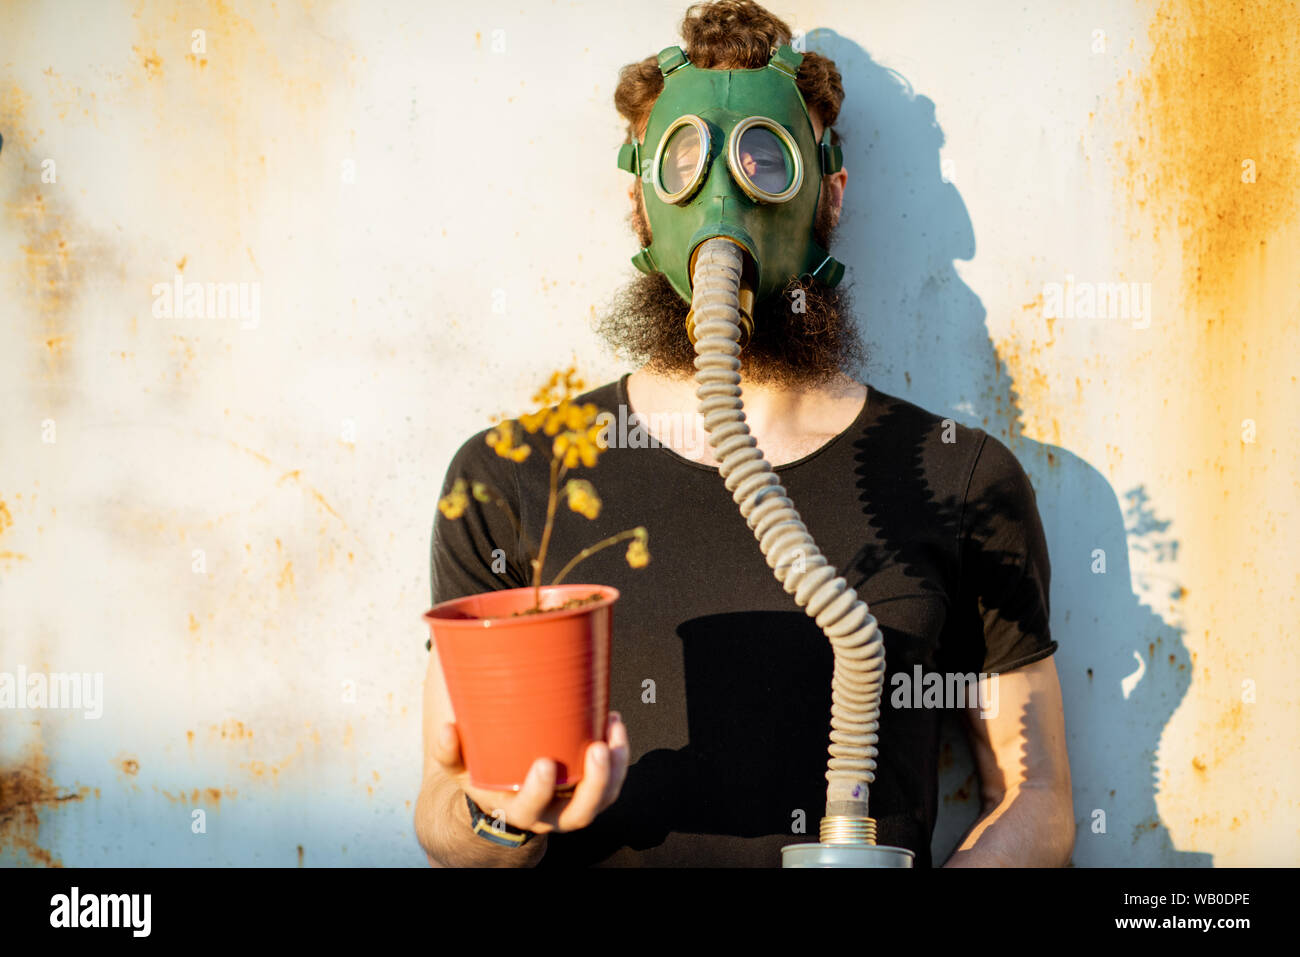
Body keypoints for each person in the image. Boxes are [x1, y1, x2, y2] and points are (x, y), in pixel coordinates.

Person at [414, 0, 1074, 868]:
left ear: (829, 192)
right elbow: (441, 810)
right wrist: (501, 819)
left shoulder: (958, 479)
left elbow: (1038, 800)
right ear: (640, 199)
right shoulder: (514, 479)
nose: (723, 194)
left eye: (766, 159)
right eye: (685, 161)